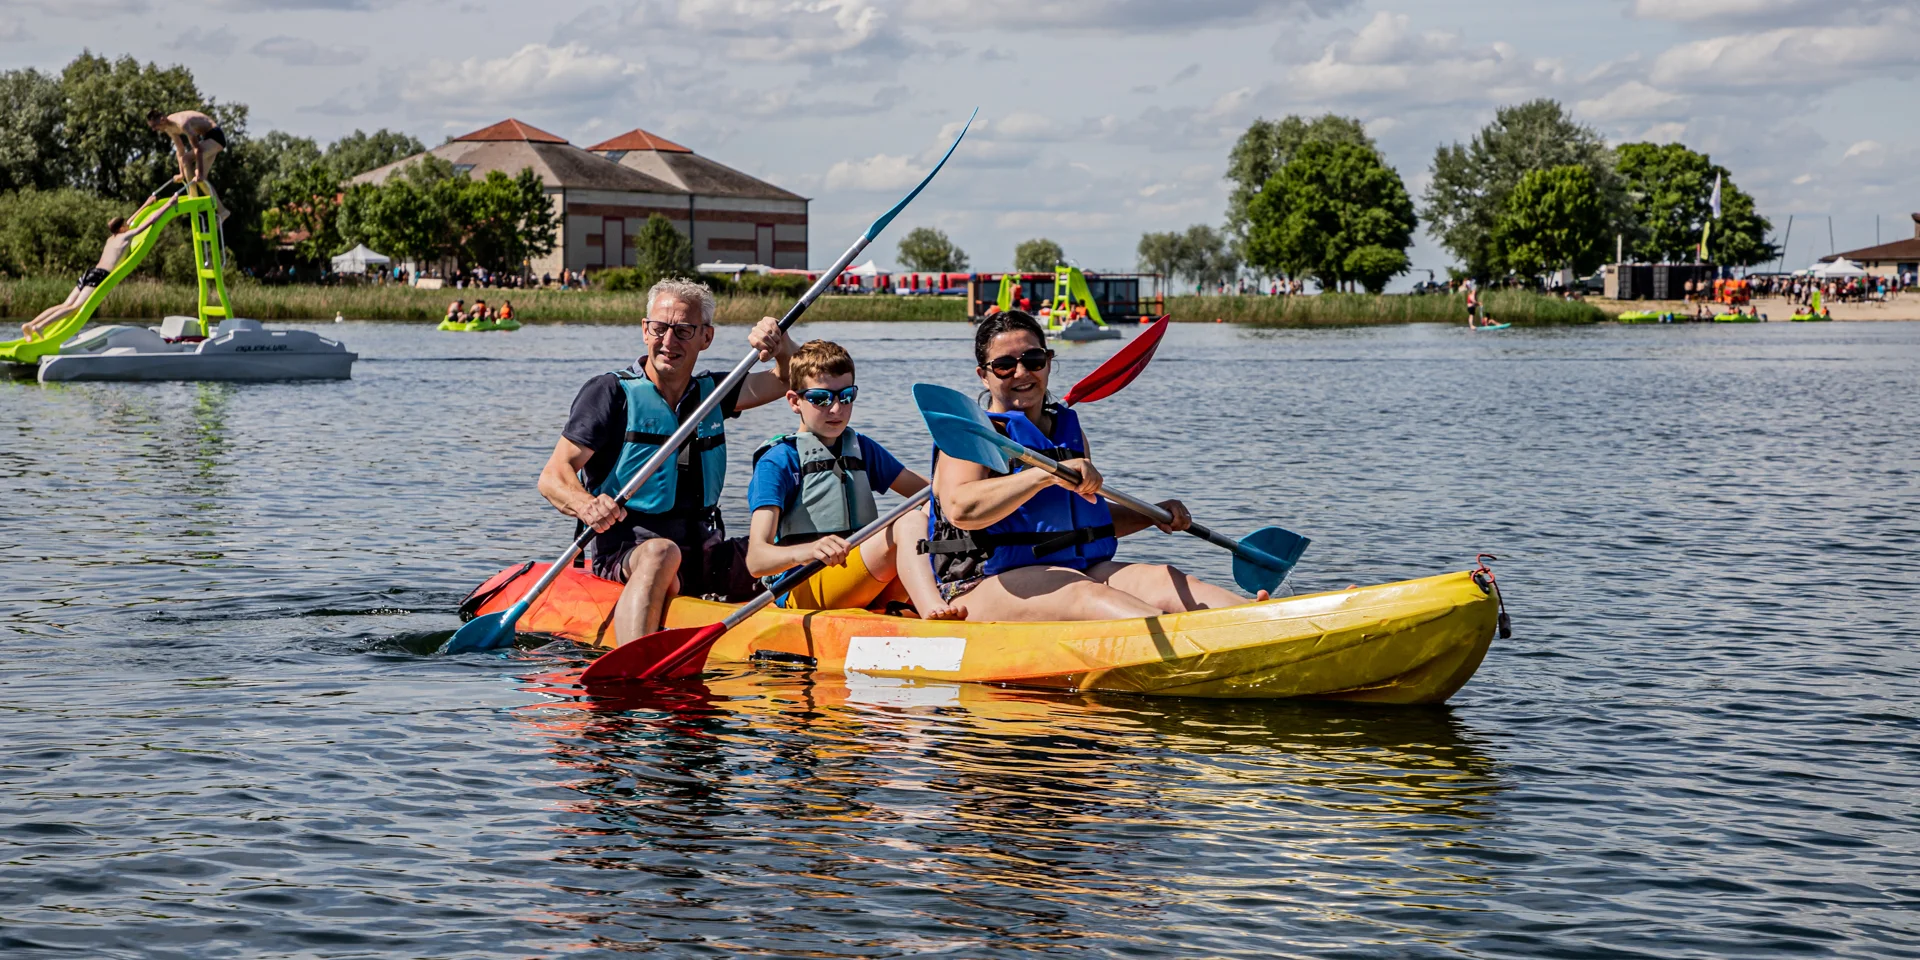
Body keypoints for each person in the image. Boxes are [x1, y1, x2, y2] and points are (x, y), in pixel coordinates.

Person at [914, 311, 1258, 622]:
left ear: (1048, 362)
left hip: (1074, 570)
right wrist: (1043, 476)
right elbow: (962, 509)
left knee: (1164, 578)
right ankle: (1187, 642)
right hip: (982, 586)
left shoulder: (1067, 431)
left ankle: (1255, 620)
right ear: (984, 375)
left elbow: (1079, 521)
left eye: (1033, 359)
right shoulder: (971, 433)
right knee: (1085, 594)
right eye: (1005, 365)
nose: (1022, 372)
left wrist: (1148, 514)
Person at [538, 278, 796, 646]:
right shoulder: (610, 393)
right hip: (628, 552)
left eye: (684, 330)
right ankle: (633, 661)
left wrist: (780, 343)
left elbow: (793, 379)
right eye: (659, 328)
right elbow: (553, 477)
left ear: (706, 338)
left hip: (704, 551)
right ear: (646, 330)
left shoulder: (716, 394)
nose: (669, 341)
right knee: (662, 553)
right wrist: (587, 504)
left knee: (792, 547)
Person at [742, 339, 961, 619]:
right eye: (820, 398)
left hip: (859, 577)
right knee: (908, 522)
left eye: (846, 396)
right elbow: (756, 560)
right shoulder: (778, 460)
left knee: (935, 503)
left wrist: (959, 460)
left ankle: (921, 602)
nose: (836, 409)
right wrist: (810, 551)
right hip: (805, 584)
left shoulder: (861, 447)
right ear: (795, 401)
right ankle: (932, 609)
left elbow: (933, 495)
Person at [21, 195, 179, 339]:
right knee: (76, 307)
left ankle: (30, 325)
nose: (129, 225)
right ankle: (40, 326)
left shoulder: (112, 238)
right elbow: (150, 220)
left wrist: (146, 203)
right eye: (126, 225)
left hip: (89, 272)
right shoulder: (126, 236)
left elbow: (131, 219)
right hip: (99, 275)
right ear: (122, 228)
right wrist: (169, 205)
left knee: (65, 304)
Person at [146, 109, 227, 223]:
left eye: (155, 126)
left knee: (193, 167)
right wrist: (181, 174)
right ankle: (222, 211)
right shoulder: (168, 128)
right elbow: (180, 149)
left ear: (162, 119)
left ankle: (193, 196)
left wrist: (199, 169)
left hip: (215, 136)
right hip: (207, 139)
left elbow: (197, 148)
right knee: (201, 180)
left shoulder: (182, 123)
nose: (154, 130)